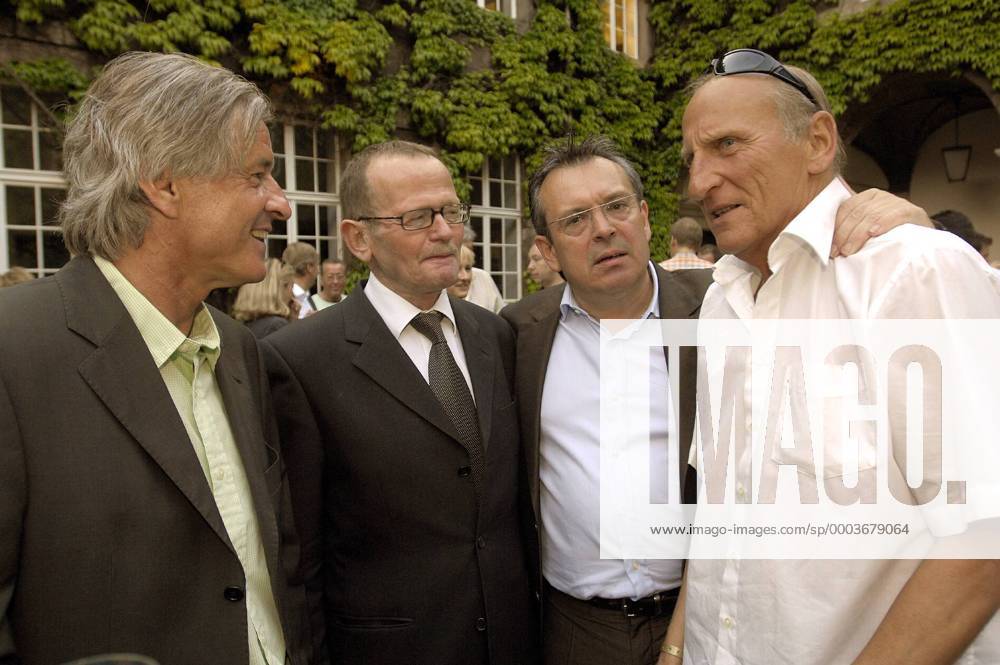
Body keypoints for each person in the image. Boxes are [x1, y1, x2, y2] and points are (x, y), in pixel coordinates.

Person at [501, 133, 936, 665]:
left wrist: (901, 219)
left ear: (643, 216)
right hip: (575, 627)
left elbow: (818, 274)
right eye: (574, 220)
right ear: (546, 249)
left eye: (616, 207)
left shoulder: (726, 305)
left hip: (710, 616)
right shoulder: (517, 334)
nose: (604, 229)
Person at [669, 48, 1000, 665]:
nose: (699, 183)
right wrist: (675, 648)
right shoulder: (721, 302)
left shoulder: (912, 270)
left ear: (818, 142)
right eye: (692, 159)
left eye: (727, 145)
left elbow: (983, 539)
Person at [0, 52, 313, 664]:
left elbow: (274, 569)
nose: (280, 203)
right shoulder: (15, 352)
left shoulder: (240, 349)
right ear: (164, 184)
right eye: (257, 176)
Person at [262, 140, 537, 665]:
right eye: (416, 217)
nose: (444, 232)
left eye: (451, 212)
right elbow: (300, 559)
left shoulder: (496, 335)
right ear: (359, 238)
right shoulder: (300, 360)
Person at [233, 257, 297, 339]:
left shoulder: (240, 326)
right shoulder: (276, 326)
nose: (293, 294)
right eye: (291, 287)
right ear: (279, 289)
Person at [462, 226, 507, 313]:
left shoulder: (483, 276)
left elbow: (500, 312)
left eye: (470, 249)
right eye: (462, 249)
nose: (469, 254)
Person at [281, 241, 319, 318]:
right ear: (310, 267)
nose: (319, 270)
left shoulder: (305, 296)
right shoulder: (284, 297)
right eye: (318, 264)